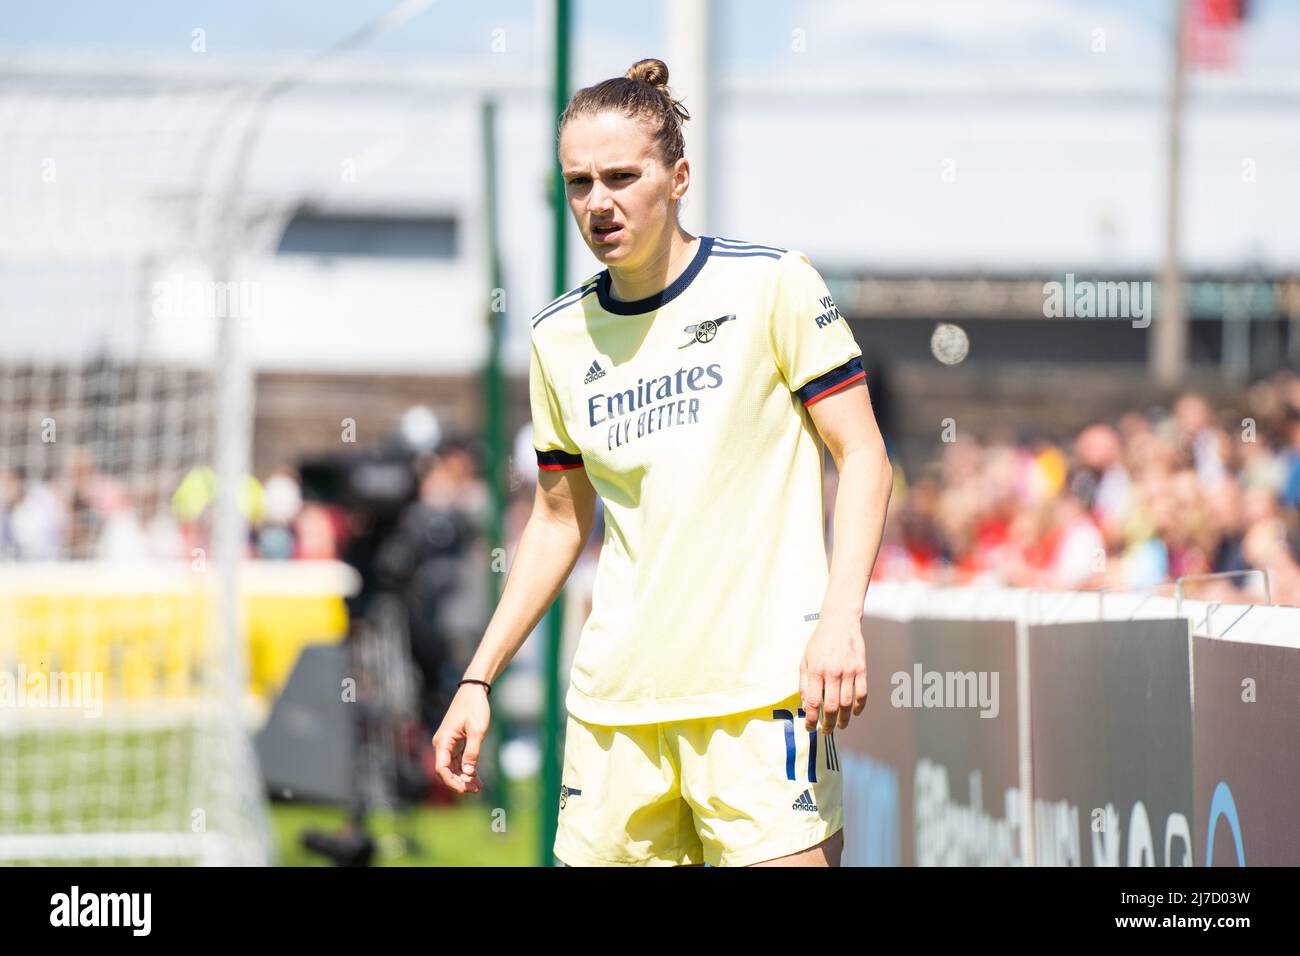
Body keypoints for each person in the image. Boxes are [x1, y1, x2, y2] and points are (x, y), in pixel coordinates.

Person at [433, 58, 893, 867]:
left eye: (621, 175)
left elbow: (863, 457)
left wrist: (841, 618)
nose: (597, 202)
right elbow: (555, 519)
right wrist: (479, 676)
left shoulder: (772, 285)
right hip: (615, 712)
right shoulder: (556, 336)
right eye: (578, 182)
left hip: (762, 700)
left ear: (678, 176)